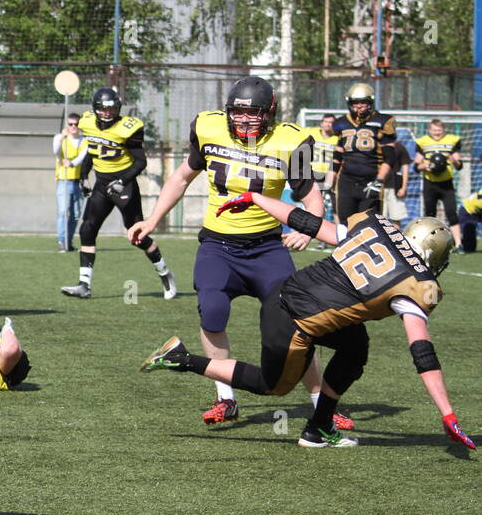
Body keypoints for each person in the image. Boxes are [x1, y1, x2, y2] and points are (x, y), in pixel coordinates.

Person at [141, 191, 472, 452]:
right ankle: (180, 358)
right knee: (273, 386)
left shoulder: (377, 228)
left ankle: (318, 428)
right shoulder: (417, 285)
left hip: (288, 292)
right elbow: (422, 353)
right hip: (292, 320)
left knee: (356, 347)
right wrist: (447, 412)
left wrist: (256, 198)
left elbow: (312, 224)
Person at [129, 75, 353, 426]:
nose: (244, 120)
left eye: (253, 113)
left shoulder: (289, 141)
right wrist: (152, 220)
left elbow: (311, 196)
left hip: (267, 248)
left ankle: (320, 406)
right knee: (212, 311)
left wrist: (306, 229)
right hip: (218, 246)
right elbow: (181, 178)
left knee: (296, 325)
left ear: (270, 113)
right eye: (237, 112)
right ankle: (225, 399)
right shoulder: (209, 128)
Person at [62, 87, 176, 300]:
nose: (107, 113)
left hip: (124, 185)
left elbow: (141, 161)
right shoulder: (87, 122)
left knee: (137, 236)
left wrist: (122, 180)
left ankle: (165, 274)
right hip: (101, 184)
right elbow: (92, 151)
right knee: (87, 229)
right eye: (103, 109)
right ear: (95, 109)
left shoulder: (127, 128)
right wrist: (83, 176)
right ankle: (84, 285)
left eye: (111, 108)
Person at [327, 83, 397, 234]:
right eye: (355, 102)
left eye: (363, 102)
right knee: (345, 224)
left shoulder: (382, 121)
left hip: (370, 179)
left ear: (370, 102)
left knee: (369, 225)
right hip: (346, 180)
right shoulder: (341, 123)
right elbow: (338, 155)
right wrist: (329, 182)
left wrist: (379, 181)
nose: (359, 106)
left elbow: (390, 158)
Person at [414, 118, 464, 250]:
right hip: (430, 183)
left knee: (452, 213)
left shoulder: (451, 140)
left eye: (439, 130)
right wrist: (424, 166)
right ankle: (430, 243)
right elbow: (416, 165)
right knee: (430, 214)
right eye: (434, 130)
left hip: (446, 183)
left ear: (443, 130)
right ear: (429, 130)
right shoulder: (423, 141)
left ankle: (458, 244)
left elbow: (459, 165)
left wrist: (454, 160)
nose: (437, 133)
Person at [53, 113, 89, 252]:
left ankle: (69, 241)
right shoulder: (59, 138)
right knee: (63, 212)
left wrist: (72, 163)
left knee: (75, 214)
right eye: (71, 124)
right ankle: (61, 241)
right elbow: (56, 152)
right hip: (64, 180)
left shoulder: (84, 140)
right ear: (66, 125)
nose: (73, 127)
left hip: (77, 181)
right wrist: (62, 137)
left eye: (76, 124)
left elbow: (82, 156)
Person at [306, 113, 340, 224]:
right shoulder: (312, 133)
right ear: (321, 123)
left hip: (330, 175)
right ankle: (312, 227)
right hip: (314, 173)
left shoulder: (338, 138)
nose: (328, 124)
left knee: (335, 205)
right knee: (314, 203)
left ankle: (338, 231)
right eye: (326, 122)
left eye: (331, 122)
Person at [382, 139, 411, 230]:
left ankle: (397, 242)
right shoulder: (376, 146)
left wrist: (403, 187)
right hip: (379, 187)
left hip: (394, 186)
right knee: (378, 218)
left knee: (396, 218)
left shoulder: (399, 147)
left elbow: (405, 168)